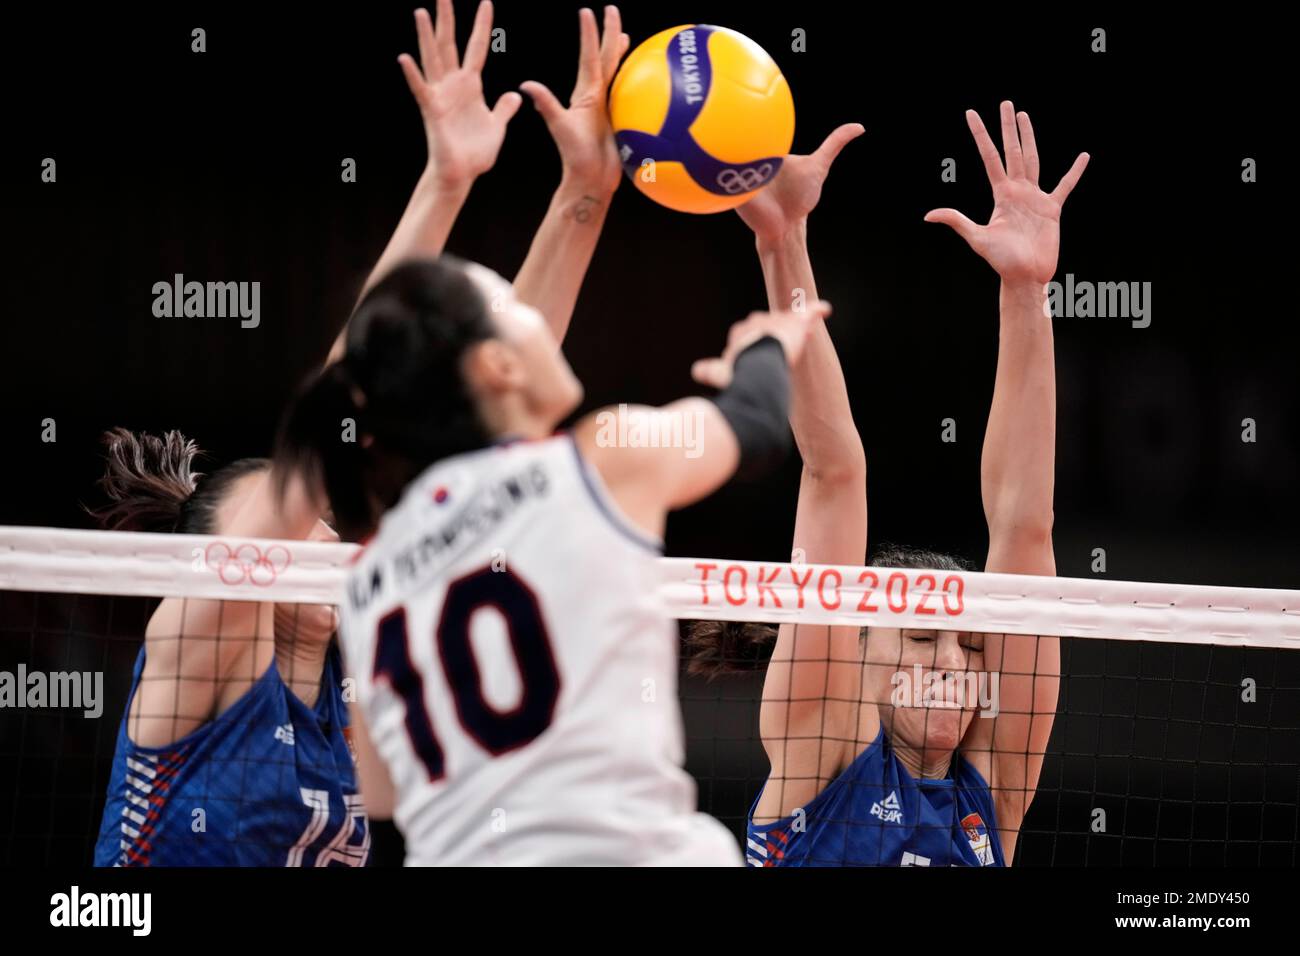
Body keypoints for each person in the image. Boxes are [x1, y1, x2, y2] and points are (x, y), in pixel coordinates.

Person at [91, 0, 621, 865]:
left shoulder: (351, 697)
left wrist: (584, 197)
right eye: (292, 523)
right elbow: (333, 421)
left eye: (325, 528)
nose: (319, 534)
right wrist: (445, 183)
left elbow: (497, 402)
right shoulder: (196, 649)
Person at [691, 102, 1085, 866]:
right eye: (922, 635)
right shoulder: (824, 755)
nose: (951, 661)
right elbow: (835, 472)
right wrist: (783, 244)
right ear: (857, 650)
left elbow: (1024, 527)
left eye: (972, 646)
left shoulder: (992, 795)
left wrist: (1027, 292)